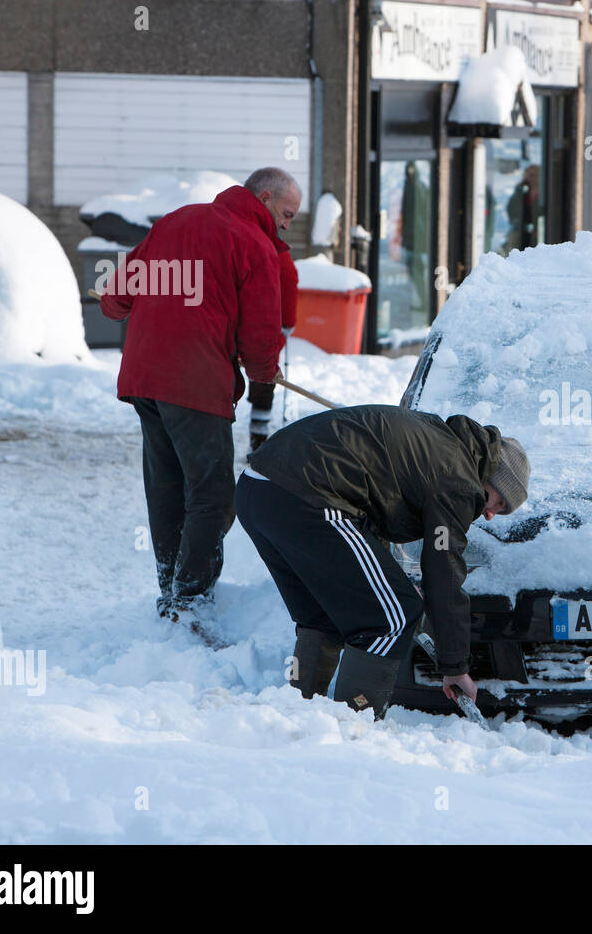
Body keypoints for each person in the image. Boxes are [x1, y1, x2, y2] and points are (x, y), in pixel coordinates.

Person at [100, 167, 301, 627]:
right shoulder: (253, 244)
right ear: (265, 198)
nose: (288, 224)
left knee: (167, 488)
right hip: (194, 384)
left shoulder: (174, 221)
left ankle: (170, 592)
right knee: (212, 496)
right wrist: (265, 372)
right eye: (287, 213)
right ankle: (191, 601)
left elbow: (115, 298)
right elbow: (261, 330)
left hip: (144, 380)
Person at [236, 405, 530, 719]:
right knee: (392, 618)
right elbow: (444, 572)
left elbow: (372, 511)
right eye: (498, 503)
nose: (488, 515)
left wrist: (390, 581)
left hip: (258, 489)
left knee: (322, 617)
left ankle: (295, 712)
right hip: (307, 495)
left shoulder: (437, 441)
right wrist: (455, 665)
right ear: (492, 478)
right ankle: (354, 723)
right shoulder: (459, 480)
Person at [247, 250, 299, 455]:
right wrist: (287, 322)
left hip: (247, 323)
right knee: (263, 378)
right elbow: (289, 280)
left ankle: (257, 436)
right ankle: (257, 439)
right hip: (264, 325)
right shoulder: (274, 246)